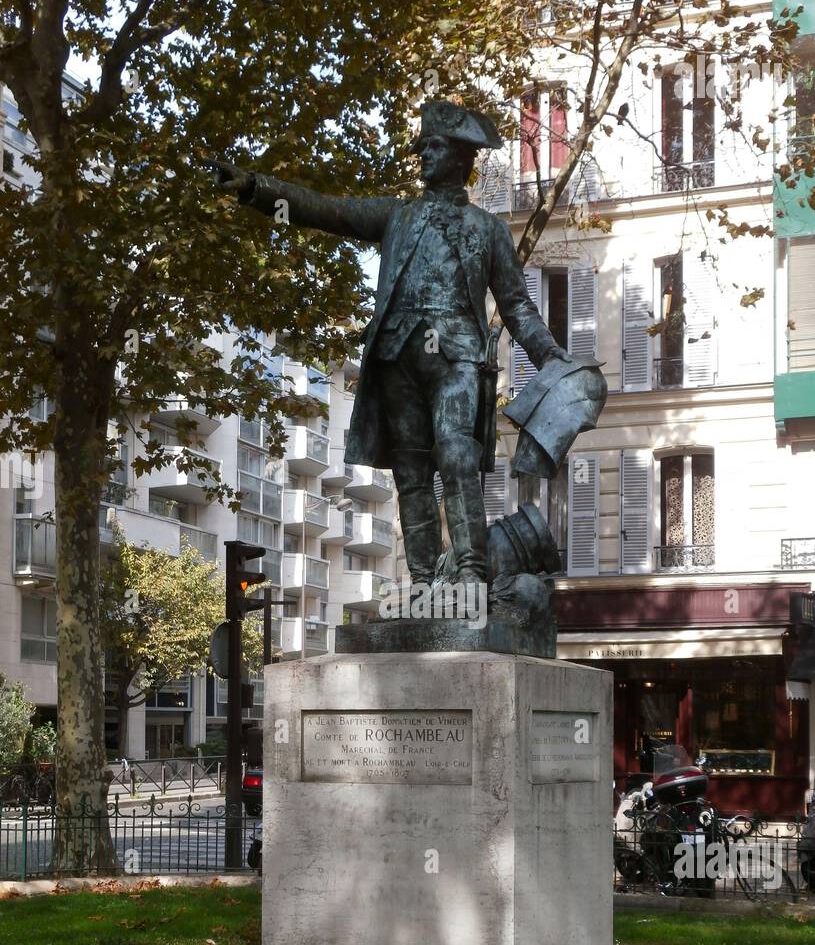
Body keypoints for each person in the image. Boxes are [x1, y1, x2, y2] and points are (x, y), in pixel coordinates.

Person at [208, 100, 573, 587]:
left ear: (461, 158)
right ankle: (423, 581)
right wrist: (257, 188)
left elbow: (517, 306)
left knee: (458, 455)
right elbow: (329, 210)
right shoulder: (397, 215)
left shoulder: (489, 230)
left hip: (457, 354)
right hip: (396, 355)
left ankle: (470, 570)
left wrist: (548, 354)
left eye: (433, 147)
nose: (422, 155)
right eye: (421, 147)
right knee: (410, 471)